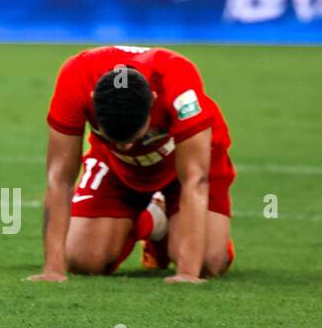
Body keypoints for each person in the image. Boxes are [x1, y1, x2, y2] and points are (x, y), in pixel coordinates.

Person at [30, 46, 236, 283]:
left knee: (208, 263)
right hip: (115, 166)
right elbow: (59, 177)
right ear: (92, 101)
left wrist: (187, 273)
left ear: (153, 101)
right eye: (115, 139)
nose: (127, 147)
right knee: (82, 259)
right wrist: (53, 269)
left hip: (186, 157)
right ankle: (153, 220)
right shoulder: (76, 78)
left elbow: (194, 179)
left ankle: (167, 231)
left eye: (135, 137)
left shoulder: (178, 81)